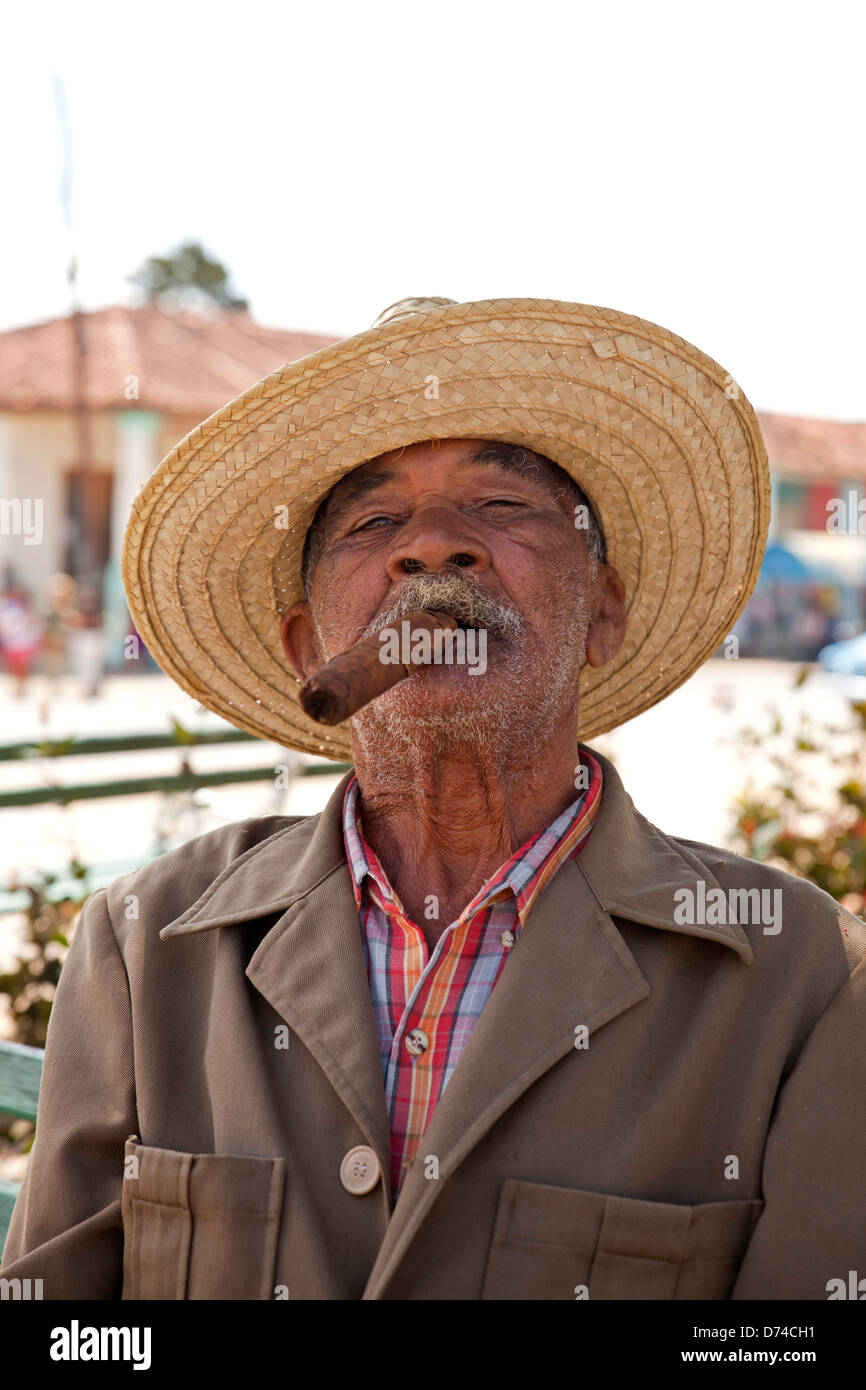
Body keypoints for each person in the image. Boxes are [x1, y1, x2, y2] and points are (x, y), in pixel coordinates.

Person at [3, 296, 864, 1301]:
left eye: (500, 508)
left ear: (602, 611)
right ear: (304, 650)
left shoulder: (802, 978)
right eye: (374, 523)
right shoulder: (145, 942)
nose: (432, 549)